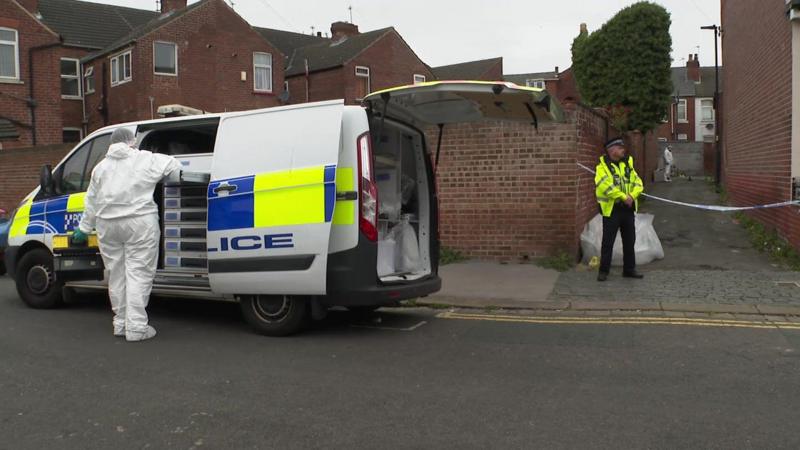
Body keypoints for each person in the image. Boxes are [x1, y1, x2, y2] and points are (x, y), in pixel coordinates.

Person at [72, 128, 181, 341]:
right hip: (139, 223)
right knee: (138, 273)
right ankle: (137, 328)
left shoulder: (100, 168)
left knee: (117, 274)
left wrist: (84, 229)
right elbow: (174, 165)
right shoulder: (144, 159)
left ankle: (120, 323)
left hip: (108, 226)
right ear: (132, 142)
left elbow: (91, 202)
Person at [594, 137, 644, 282]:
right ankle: (603, 271)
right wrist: (623, 196)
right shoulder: (602, 167)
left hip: (627, 210)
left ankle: (629, 269)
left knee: (630, 241)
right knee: (607, 242)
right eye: (620, 148)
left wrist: (632, 195)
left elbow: (638, 182)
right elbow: (605, 186)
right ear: (612, 150)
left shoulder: (628, 165)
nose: (624, 150)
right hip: (612, 210)